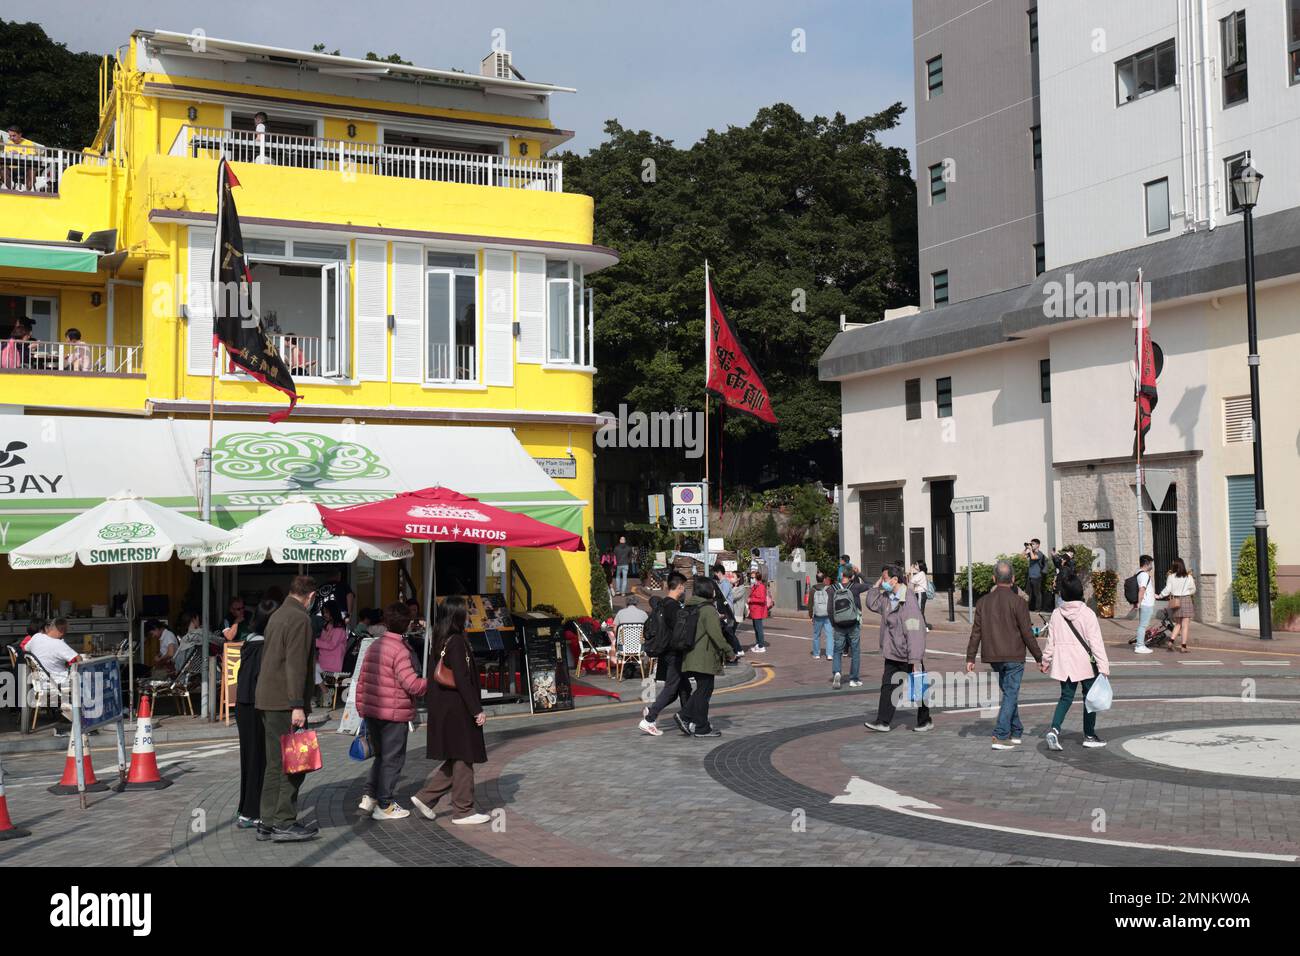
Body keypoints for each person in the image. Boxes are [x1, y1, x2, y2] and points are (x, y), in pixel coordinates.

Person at [412, 596, 490, 825]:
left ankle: (425, 798)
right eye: (464, 611)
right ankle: (463, 810)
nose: (467, 614)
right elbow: (462, 679)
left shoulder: (440, 638)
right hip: (457, 707)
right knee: (465, 756)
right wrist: (477, 710)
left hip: (444, 707)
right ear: (457, 615)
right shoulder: (456, 641)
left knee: (457, 755)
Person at [255, 575, 318, 843]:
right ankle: (284, 821)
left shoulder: (278, 615)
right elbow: (295, 664)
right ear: (311, 596)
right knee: (294, 763)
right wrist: (297, 705)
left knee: (273, 763)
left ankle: (267, 821)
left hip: (268, 698)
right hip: (285, 701)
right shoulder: (300, 618)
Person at [355, 602, 429, 821]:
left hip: (372, 710)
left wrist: (361, 707)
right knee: (393, 759)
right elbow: (411, 684)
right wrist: (429, 683)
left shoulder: (375, 645)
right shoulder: (401, 650)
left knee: (381, 757)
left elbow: (362, 680)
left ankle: (370, 797)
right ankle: (385, 804)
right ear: (406, 625)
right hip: (394, 712)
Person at [965, 560, 1043, 749]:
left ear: (994, 578)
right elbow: (1027, 632)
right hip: (1014, 655)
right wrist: (1039, 657)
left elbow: (976, 632)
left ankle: (1016, 730)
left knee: (1009, 693)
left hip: (993, 655)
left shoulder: (983, 602)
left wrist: (970, 657)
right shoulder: (1019, 602)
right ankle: (1000, 735)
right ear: (1013, 579)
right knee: (1010, 693)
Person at [1040, 572, 1111, 750]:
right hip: (1085, 662)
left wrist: (1046, 660)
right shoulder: (1087, 614)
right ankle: (1089, 734)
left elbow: (1051, 641)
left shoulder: (1057, 614)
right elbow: (1096, 643)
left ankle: (1054, 729)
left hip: (1064, 662)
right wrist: (1103, 666)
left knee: (1065, 697)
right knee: (1090, 698)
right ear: (1080, 591)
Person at [862, 566, 932, 732]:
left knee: (918, 688)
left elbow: (915, 633)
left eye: (885, 578)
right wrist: (877, 585)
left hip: (908, 653)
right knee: (888, 686)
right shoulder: (888, 597)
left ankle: (925, 720)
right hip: (893, 652)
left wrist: (915, 660)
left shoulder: (908, 602)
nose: (883, 582)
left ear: (895, 579)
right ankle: (883, 721)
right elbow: (872, 603)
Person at [235, 599, 276, 829]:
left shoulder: (249, 642)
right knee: (259, 758)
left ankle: (246, 809)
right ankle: (252, 811)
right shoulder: (263, 646)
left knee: (250, 759)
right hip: (256, 705)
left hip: (244, 705)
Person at [677, 577, 733, 737]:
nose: (715, 590)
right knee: (704, 690)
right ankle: (688, 717)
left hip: (692, 654)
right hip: (704, 656)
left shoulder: (692, 606)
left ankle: (700, 724)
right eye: (712, 587)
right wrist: (729, 651)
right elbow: (716, 635)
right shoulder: (708, 609)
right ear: (706, 590)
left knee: (703, 690)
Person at [639, 571, 690, 736]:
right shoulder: (673, 607)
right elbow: (679, 631)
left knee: (683, 688)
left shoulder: (662, 604)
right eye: (684, 587)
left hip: (664, 651)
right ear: (680, 587)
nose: (684, 591)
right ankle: (649, 719)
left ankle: (688, 718)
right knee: (671, 688)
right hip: (673, 652)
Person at [828, 569, 869, 689]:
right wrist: (860, 574)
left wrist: (833, 623)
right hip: (853, 623)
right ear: (851, 577)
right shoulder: (855, 587)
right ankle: (854, 679)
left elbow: (830, 609)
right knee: (855, 651)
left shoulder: (832, 588)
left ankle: (837, 672)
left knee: (837, 651)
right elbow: (870, 585)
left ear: (841, 575)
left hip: (839, 625)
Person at [1157, 558, 1196, 654]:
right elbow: (1193, 589)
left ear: (1174, 566)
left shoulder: (1171, 577)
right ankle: (1183, 647)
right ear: (1183, 565)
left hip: (1176, 600)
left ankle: (1170, 642)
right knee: (1185, 625)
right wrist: (1187, 593)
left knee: (1178, 624)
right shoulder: (1188, 577)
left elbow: (1168, 589)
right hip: (1186, 599)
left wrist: (1160, 595)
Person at [314, 600, 349, 702]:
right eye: (324, 612)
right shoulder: (328, 626)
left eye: (327, 612)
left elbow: (331, 645)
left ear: (333, 612)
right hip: (325, 662)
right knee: (309, 667)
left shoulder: (339, 629)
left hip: (333, 665)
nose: (325, 614)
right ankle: (324, 692)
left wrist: (314, 641)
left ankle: (325, 692)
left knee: (311, 668)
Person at [1132, 554, 1156, 655]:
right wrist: (1139, 603)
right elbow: (1141, 590)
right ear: (1147, 563)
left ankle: (1140, 644)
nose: (1151, 566)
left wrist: (1154, 594)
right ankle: (1139, 646)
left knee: (1142, 625)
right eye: (1151, 563)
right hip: (1146, 604)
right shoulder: (1144, 575)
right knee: (1142, 626)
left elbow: (1144, 589)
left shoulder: (1138, 573)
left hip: (1145, 603)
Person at [807, 571, 833, 660]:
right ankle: (829, 654)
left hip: (817, 615)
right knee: (829, 635)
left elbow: (810, 604)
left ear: (816, 579)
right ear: (824, 579)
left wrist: (811, 615)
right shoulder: (829, 589)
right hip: (827, 615)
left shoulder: (812, 589)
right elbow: (831, 602)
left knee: (816, 635)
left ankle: (816, 653)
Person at [747, 570, 771, 653]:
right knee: (756, 628)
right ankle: (758, 643)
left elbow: (761, 600)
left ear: (757, 578)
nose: (751, 579)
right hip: (754, 610)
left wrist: (751, 599)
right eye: (751, 577)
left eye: (753, 577)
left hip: (758, 611)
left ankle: (761, 645)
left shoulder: (761, 586)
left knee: (759, 628)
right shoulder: (755, 586)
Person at [1024, 539, 1048, 612]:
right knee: (1028, 593)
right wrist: (1026, 549)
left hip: (1037, 576)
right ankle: (1026, 608)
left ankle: (1038, 609)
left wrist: (1030, 550)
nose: (1032, 545)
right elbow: (1021, 556)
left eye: (1033, 544)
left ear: (1038, 545)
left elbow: (1034, 558)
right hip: (1030, 576)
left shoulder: (1040, 553)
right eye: (1031, 544)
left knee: (1037, 593)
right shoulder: (1031, 552)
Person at [910, 560, 933, 632]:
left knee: (920, 611)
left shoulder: (921, 574)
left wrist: (911, 572)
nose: (915, 566)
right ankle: (921, 626)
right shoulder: (920, 573)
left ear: (920, 566)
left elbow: (912, 581)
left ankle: (925, 627)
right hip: (919, 594)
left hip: (920, 594)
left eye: (916, 564)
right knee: (918, 610)